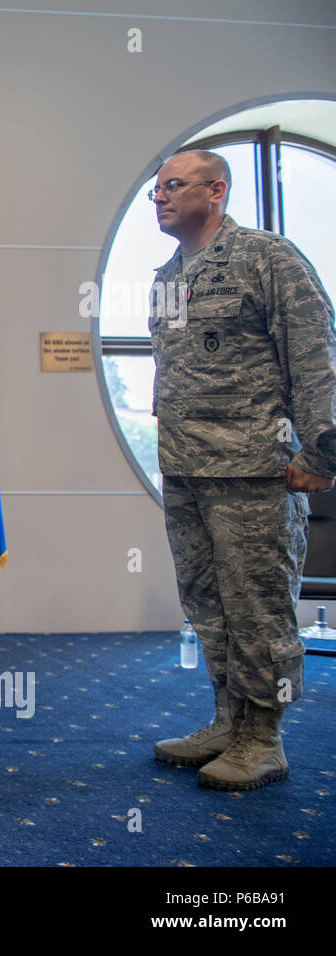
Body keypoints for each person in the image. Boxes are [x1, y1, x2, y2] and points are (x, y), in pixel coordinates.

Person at [148, 148, 336, 790]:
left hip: (257, 472)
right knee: (208, 603)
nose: (161, 198)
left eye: (173, 186)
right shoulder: (169, 274)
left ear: (217, 190)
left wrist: (321, 452)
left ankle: (265, 738)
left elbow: (314, 356)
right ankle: (230, 718)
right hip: (187, 470)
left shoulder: (267, 258)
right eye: (156, 190)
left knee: (259, 606)